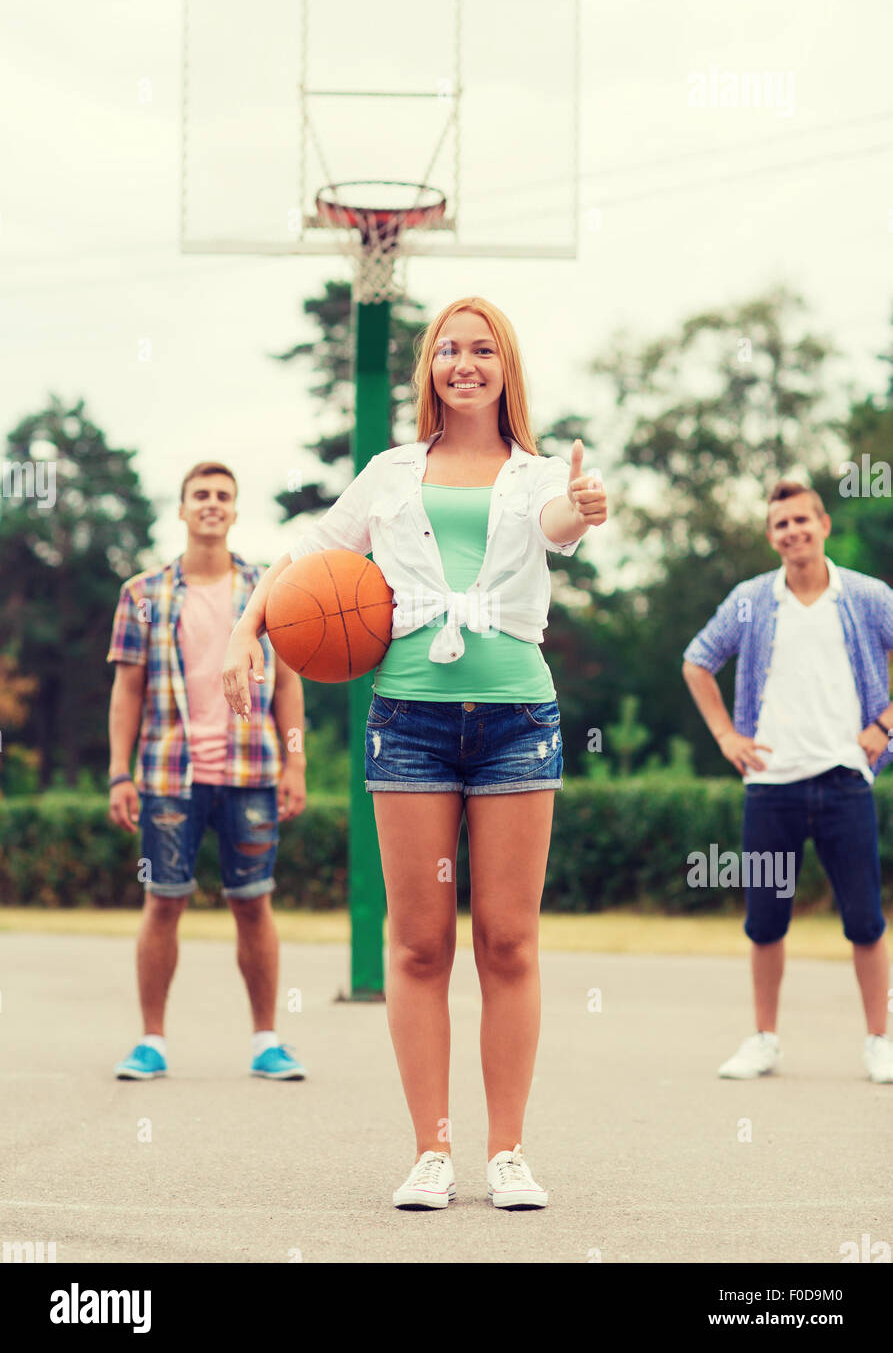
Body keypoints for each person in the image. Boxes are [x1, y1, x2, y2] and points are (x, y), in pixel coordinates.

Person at [222, 297, 607, 1208]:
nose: (463, 363)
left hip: (517, 721)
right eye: (447, 350)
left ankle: (505, 1153)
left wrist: (582, 506)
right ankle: (431, 1152)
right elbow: (310, 553)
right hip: (411, 722)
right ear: (428, 368)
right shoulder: (391, 472)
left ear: (505, 367)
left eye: (481, 350)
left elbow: (560, 521)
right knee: (421, 944)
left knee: (508, 942)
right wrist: (248, 629)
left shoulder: (540, 472)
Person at [682, 480, 893, 1083]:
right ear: (771, 536)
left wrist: (883, 725)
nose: (793, 531)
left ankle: (879, 1041)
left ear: (823, 524)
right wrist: (726, 737)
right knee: (766, 920)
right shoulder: (751, 599)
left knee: (865, 920)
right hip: (771, 785)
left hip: (845, 781)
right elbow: (697, 661)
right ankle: (764, 1039)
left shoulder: (866, 596)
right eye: (781, 524)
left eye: (802, 520)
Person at [107, 462, 307, 1081]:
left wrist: (295, 759)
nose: (212, 504)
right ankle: (151, 1041)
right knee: (163, 902)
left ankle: (267, 1041)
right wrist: (120, 772)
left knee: (253, 903)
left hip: (251, 771)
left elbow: (289, 680)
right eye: (201, 495)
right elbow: (127, 690)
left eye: (223, 495)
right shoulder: (143, 594)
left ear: (236, 510)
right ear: (183, 509)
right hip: (169, 775)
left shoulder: (267, 588)